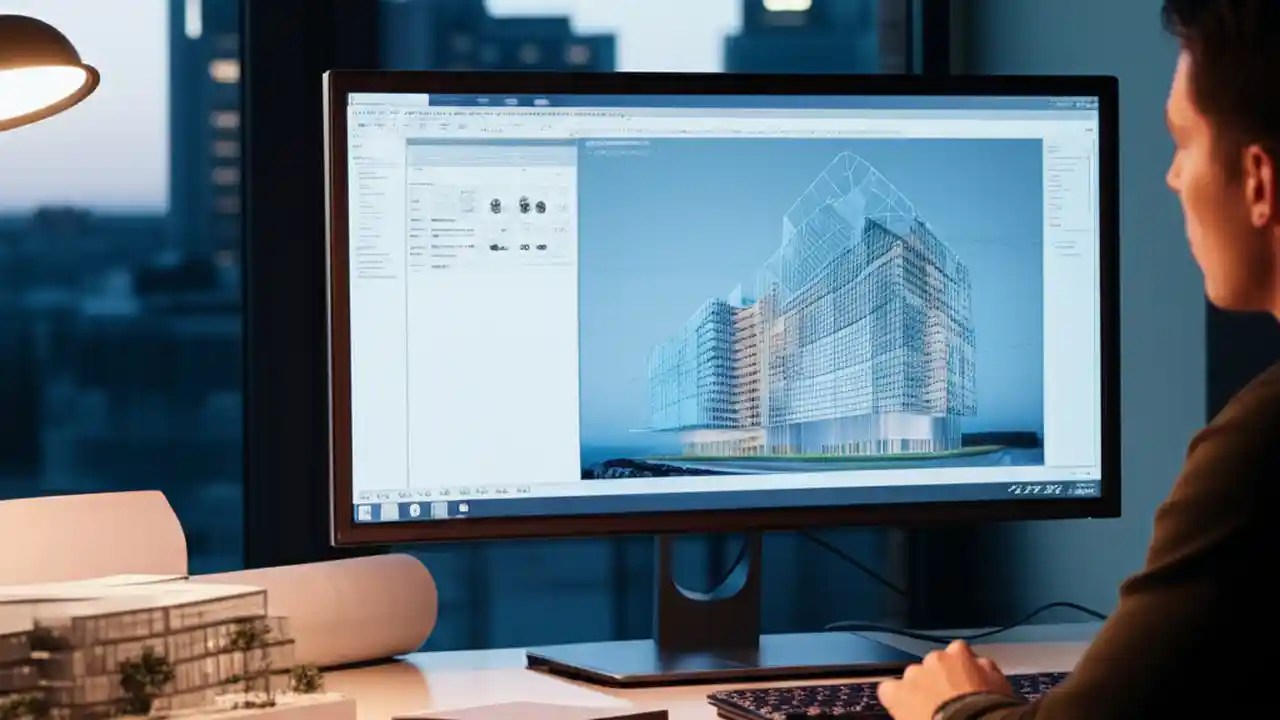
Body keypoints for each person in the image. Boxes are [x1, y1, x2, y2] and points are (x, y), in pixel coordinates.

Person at [877, 1, 1280, 718]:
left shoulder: (1261, 447)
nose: (1172, 177)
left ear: (1257, 181)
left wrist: (953, 705)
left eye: (1183, 143)